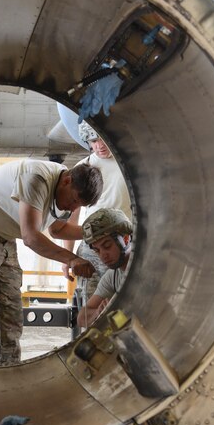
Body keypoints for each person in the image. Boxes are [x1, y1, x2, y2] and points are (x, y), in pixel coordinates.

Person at [0, 158, 103, 366]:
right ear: (67, 181)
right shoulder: (37, 178)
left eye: (78, 206)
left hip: (3, 235)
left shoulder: (69, 192)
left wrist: (96, 232)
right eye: (73, 202)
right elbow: (31, 237)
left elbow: (58, 229)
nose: (72, 209)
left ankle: (7, 378)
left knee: (10, 314)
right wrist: (71, 259)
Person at [63, 121, 132, 298]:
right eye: (94, 141)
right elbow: (73, 215)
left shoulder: (130, 164)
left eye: (102, 139)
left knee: (125, 298)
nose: (99, 145)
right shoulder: (83, 166)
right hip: (91, 246)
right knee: (90, 301)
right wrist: (67, 257)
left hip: (122, 243)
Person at [76, 208, 133, 328]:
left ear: (126, 239)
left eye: (107, 246)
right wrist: (98, 312)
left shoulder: (145, 268)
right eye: (97, 250)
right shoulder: (112, 276)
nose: (103, 255)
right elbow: (82, 319)